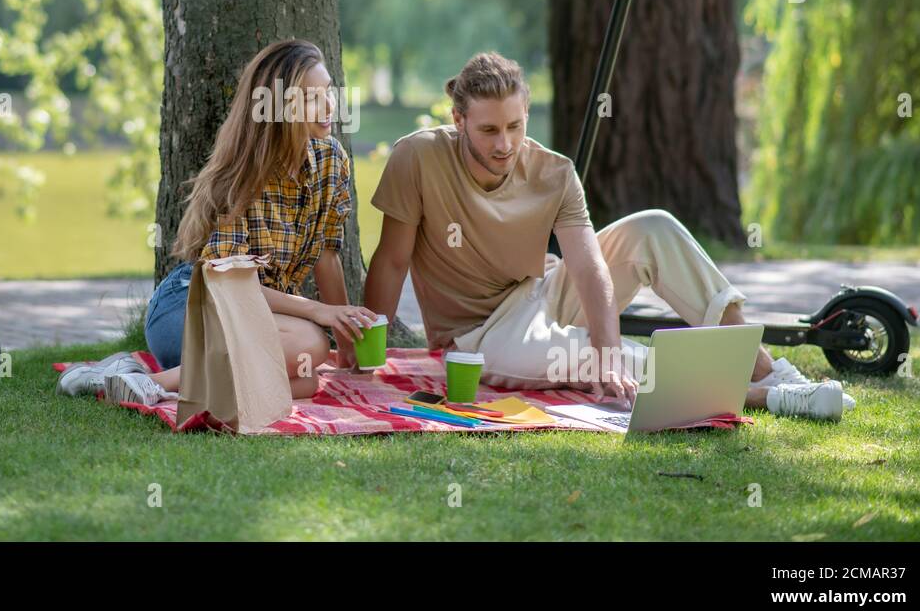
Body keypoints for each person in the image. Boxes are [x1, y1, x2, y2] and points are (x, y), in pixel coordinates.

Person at [362, 51, 855, 422]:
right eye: (489, 130)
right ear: (459, 119)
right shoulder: (418, 157)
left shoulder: (555, 172)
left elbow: (590, 264)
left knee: (654, 227)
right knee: (575, 359)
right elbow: (391, 261)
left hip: (542, 292)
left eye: (515, 125)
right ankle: (769, 397)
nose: (504, 144)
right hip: (478, 336)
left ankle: (765, 366)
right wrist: (368, 359)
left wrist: (606, 347)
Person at [57, 39, 379, 404]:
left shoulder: (331, 159)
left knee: (305, 382)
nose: (328, 106)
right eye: (311, 97)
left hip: (260, 318)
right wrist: (319, 311)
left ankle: (129, 380)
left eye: (328, 92)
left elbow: (326, 254)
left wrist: (348, 335)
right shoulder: (242, 176)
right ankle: (156, 383)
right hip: (193, 307)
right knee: (310, 343)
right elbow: (227, 282)